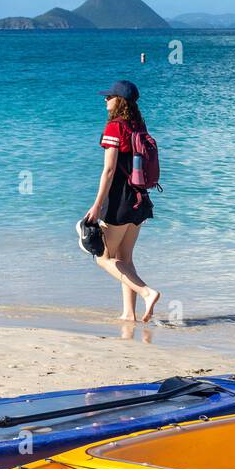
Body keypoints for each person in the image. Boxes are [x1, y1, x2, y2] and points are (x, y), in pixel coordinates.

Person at [84, 80, 161, 323]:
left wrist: (97, 205)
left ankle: (147, 293)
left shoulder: (114, 128)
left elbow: (109, 171)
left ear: (121, 101)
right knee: (125, 258)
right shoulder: (138, 125)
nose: (105, 99)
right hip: (140, 198)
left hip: (119, 201)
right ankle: (129, 314)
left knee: (103, 257)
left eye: (110, 96)